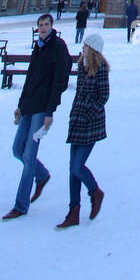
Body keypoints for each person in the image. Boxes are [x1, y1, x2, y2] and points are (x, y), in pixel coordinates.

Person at [2, 13, 71, 220]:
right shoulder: (38, 46)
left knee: (30, 154)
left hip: (42, 109)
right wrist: (20, 105)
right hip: (29, 106)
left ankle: (21, 205)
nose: (43, 27)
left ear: (52, 26)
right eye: (40, 25)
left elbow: (60, 81)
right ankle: (41, 175)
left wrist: (50, 111)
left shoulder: (58, 47)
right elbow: (31, 77)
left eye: (46, 24)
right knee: (17, 149)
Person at [56, 30, 110, 229]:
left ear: (93, 50)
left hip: (90, 124)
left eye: (86, 46)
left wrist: (88, 113)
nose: (82, 48)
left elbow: (103, 96)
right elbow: (78, 94)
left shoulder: (101, 68)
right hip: (77, 121)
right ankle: (73, 211)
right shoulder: (81, 66)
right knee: (73, 169)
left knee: (77, 166)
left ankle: (95, 192)